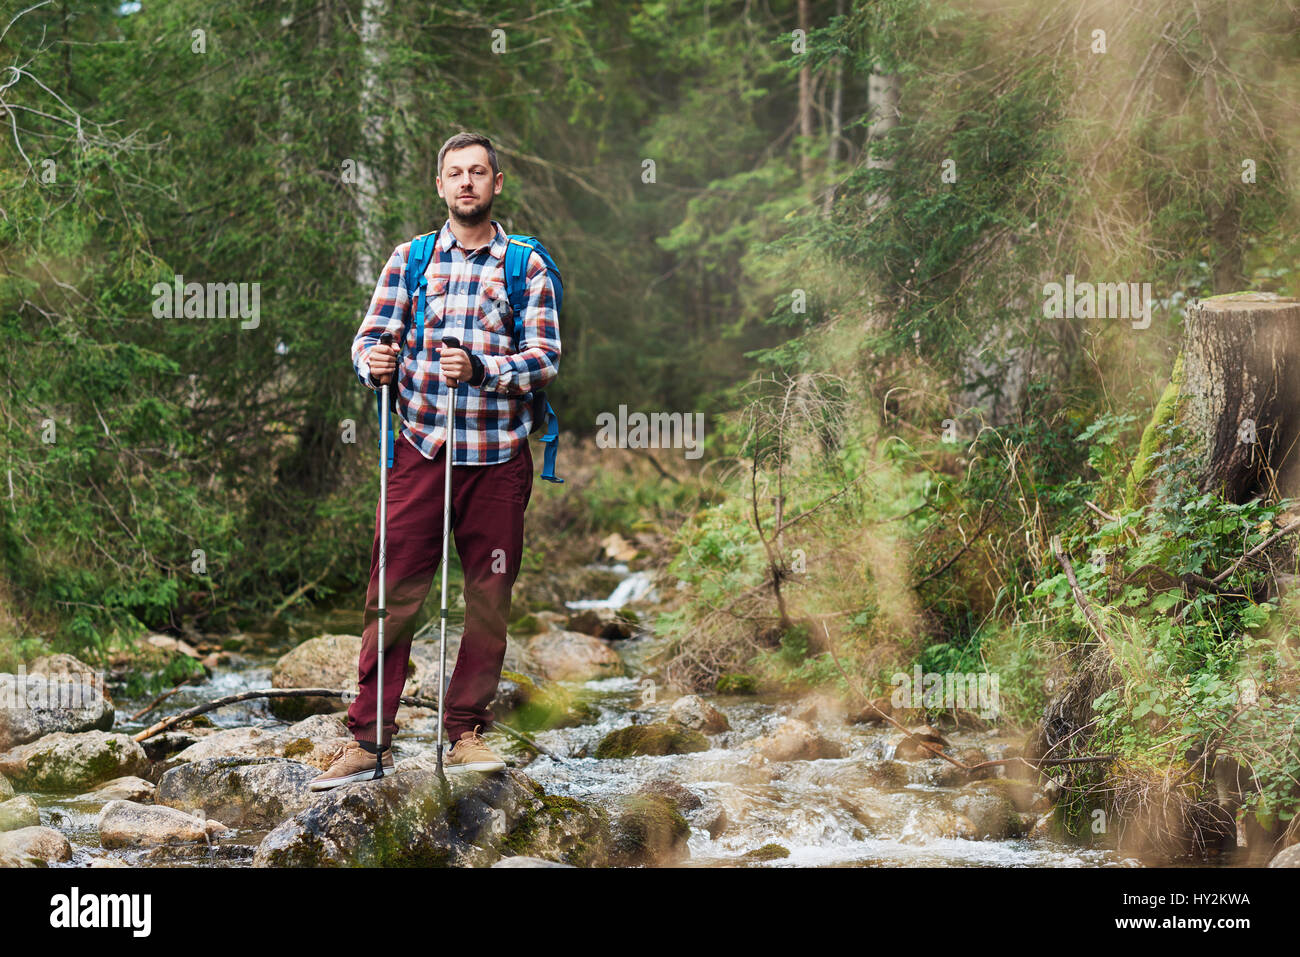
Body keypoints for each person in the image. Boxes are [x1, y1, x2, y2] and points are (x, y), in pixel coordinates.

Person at [310, 131, 561, 789]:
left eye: (478, 172)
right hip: (421, 448)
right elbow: (368, 341)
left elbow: (545, 358)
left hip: (498, 458)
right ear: (441, 185)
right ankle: (368, 738)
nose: (467, 183)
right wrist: (375, 364)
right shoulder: (411, 260)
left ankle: (466, 730)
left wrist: (482, 368)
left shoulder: (525, 266)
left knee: (488, 597)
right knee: (392, 595)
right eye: (455, 173)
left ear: (497, 183)